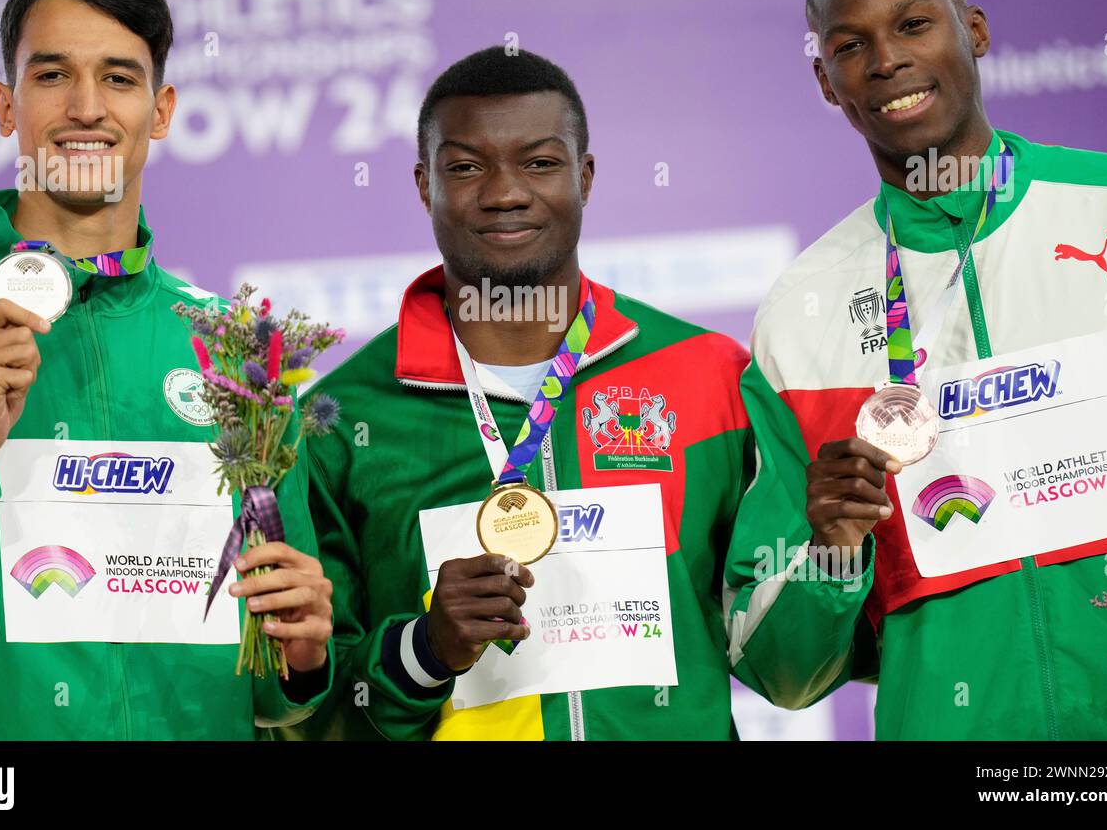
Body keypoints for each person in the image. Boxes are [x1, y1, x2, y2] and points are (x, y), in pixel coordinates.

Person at [294, 46, 869, 741]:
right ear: (425, 185)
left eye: (540, 162)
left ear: (585, 175)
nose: (505, 192)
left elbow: (789, 672)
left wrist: (835, 550)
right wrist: (422, 650)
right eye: (466, 167)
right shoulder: (342, 421)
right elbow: (305, 714)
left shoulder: (709, 375)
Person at [0, 0, 333, 739]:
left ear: (162, 110)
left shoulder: (239, 351)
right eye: (52, 76)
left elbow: (277, 692)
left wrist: (306, 659)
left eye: (119, 77)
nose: (87, 107)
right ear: (7, 106)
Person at [738, 0, 1107, 738]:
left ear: (973, 31)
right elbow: (780, 674)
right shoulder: (801, 313)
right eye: (849, 44)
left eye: (912, 24)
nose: (886, 59)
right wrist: (831, 547)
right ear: (827, 81)